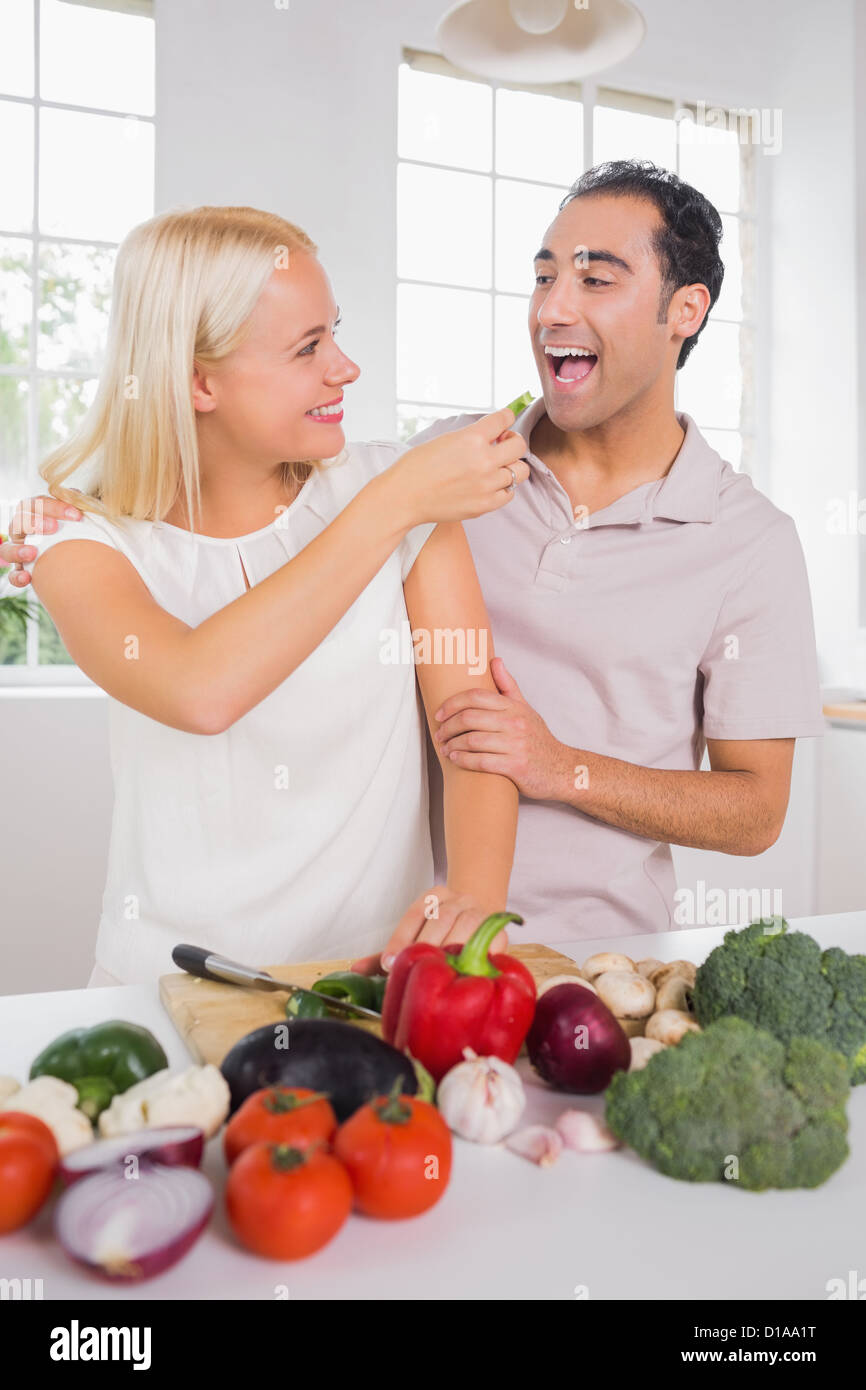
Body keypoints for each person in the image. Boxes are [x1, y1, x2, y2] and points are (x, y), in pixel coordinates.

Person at [5, 162, 826, 955]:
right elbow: (201, 661)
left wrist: (559, 772)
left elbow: (755, 813)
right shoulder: (435, 470)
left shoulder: (749, 541)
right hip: (370, 959)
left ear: (686, 310)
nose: (552, 309)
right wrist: (73, 522)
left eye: (596, 280)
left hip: (594, 954)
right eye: (543, 278)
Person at [0, 204, 528, 986]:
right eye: (307, 347)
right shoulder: (74, 542)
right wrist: (390, 506)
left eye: (336, 333)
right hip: (166, 991)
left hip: (374, 984)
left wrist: (473, 901)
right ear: (198, 380)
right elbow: (199, 689)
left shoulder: (405, 494)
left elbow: (473, 732)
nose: (344, 368)